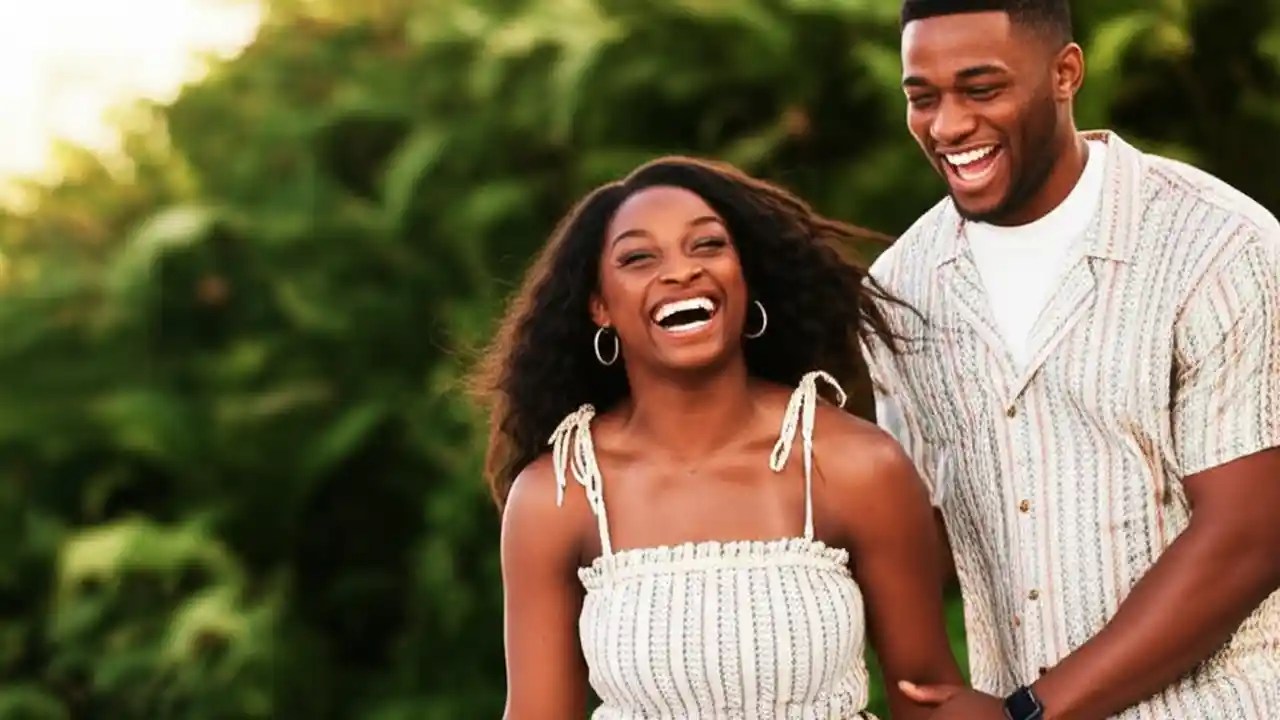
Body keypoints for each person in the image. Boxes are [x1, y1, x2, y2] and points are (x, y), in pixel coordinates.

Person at [863, 1, 1280, 718]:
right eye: (921, 98)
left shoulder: (1220, 246)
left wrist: (1031, 713)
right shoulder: (900, 290)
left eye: (982, 89)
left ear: (1065, 73)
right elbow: (914, 543)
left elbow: (1249, 536)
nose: (948, 125)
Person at [473, 156, 964, 719]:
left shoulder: (856, 464)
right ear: (599, 306)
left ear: (744, 277)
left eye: (708, 246)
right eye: (638, 257)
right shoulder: (558, 495)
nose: (681, 272)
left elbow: (929, 701)